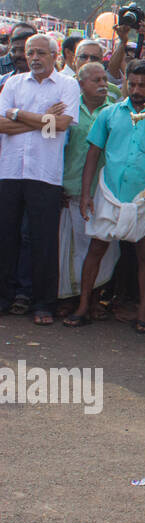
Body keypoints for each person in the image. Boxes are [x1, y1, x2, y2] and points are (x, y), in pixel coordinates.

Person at [64, 60, 145, 331]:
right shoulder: (109, 114)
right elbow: (93, 154)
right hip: (108, 191)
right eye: (132, 84)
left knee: (144, 254)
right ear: (126, 83)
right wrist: (86, 194)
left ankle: (143, 314)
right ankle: (83, 307)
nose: (136, 90)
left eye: (142, 85)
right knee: (96, 249)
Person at [0, 33, 80, 324]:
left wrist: (18, 114)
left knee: (44, 239)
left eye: (41, 53)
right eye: (30, 52)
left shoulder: (67, 85)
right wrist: (41, 118)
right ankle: (4, 297)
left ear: (55, 56)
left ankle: (43, 303)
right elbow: (2, 126)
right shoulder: (14, 83)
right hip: (9, 170)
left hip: (44, 173)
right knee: (5, 236)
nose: (34, 58)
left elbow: (60, 125)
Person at [57, 62, 120, 304]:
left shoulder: (115, 111)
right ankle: (70, 300)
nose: (103, 85)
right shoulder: (68, 109)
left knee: (103, 249)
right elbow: (54, 145)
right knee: (72, 249)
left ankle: (93, 300)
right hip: (71, 189)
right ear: (80, 84)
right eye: (96, 80)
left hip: (105, 191)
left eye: (105, 79)